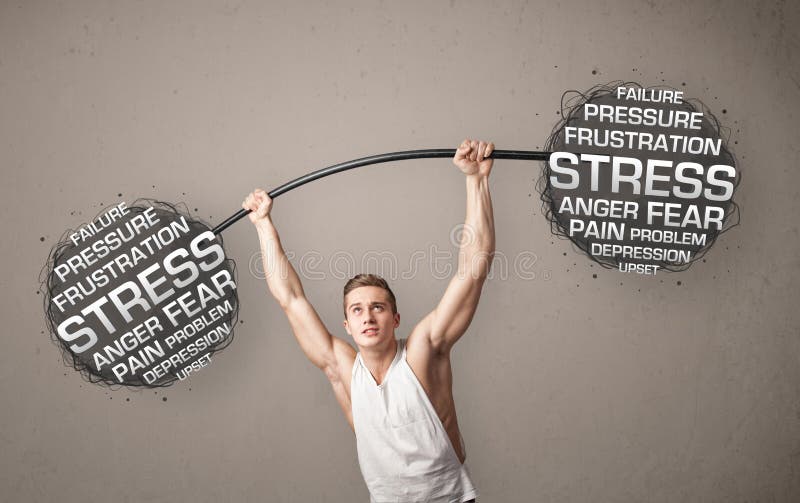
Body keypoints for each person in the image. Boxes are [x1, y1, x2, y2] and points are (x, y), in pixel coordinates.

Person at [242, 139, 495, 503]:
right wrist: (263, 224)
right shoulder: (343, 368)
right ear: (346, 325)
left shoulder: (424, 351)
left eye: (378, 307)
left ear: (395, 319)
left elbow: (474, 268)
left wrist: (476, 181)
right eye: (357, 310)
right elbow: (290, 299)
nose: (368, 316)